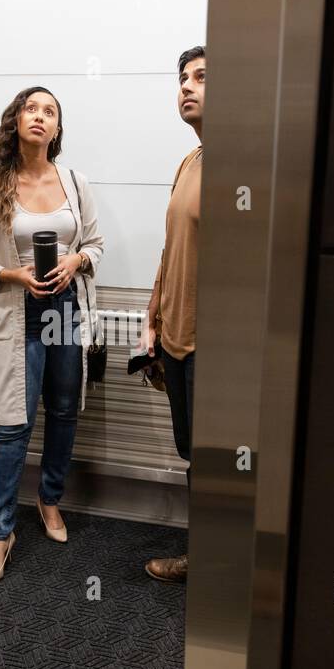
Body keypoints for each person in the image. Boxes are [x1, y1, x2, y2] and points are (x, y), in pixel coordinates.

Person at [0, 86, 105, 587]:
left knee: (63, 410)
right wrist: (12, 275)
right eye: (31, 108)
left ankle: (50, 499)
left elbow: (96, 246)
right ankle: (0, 532)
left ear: (58, 128)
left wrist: (75, 259)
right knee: (13, 425)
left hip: (66, 312)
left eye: (50, 111)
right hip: (18, 315)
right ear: (16, 121)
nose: (40, 117)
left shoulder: (77, 183)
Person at [141, 46, 204, 584]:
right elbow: (170, 249)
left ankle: (218, 562)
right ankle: (207, 555)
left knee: (219, 457)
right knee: (195, 454)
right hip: (178, 337)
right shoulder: (191, 161)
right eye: (182, 78)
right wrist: (153, 321)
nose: (186, 86)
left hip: (217, 346)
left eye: (202, 78)